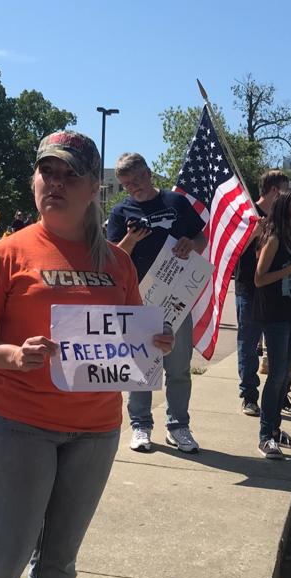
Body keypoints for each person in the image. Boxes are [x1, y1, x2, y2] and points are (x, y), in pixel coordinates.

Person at [0, 130, 173, 578]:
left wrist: (157, 341)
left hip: (95, 431)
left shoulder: (116, 262)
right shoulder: (6, 254)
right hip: (20, 425)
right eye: (47, 171)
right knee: (2, 560)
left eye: (70, 174)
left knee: (59, 566)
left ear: (94, 187)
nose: (56, 183)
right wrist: (11, 356)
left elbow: (135, 335)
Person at [106, 151, 206, 453]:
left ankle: (178, 426)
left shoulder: (175, 203)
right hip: (138, 297)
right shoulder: (121, 211)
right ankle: (140, 425)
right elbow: (113, 255)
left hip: (176, 295)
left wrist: (192, 245)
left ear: (148, 173)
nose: (133, 188)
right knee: (141, 366)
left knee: (178, 366)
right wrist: (132, 239)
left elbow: (200, 237)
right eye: (126, 184)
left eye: (137, 180)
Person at [253, 190, 291, 460]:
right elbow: (259, 278)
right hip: (275, 315)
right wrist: (288, 271)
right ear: (286, 208)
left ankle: (275, 430)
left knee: (284, 375)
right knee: (275, 377)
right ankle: (265, 435)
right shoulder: (274, 238)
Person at [236, 169, 291, 417]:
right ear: (274, 191)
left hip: (277, 291)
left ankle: (280, 395)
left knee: (279, 347)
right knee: (249, 345)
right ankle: (249, 395)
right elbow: (233, 254)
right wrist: (252, 236)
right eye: (286, 190)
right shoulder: (248, 215)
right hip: (249, 289)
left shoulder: (281, 218)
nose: (289, 196)